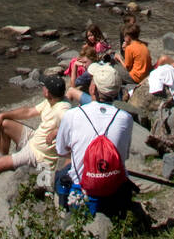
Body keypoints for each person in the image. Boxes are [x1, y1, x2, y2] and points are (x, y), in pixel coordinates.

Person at [54, 63, 134, 216]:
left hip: (82, 190)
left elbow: (61, 151)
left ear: (93, 89)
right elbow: (125, 155)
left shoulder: (72, 115)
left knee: (61, 174)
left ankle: (64, 213)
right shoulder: (126, 118)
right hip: (114, 190)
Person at [0, 74, 70, 174]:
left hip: (39, 155)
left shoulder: (62, 108)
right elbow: (28, 112)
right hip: (35, 138)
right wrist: (3, 115)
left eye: (44, 86)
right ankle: (4, 158)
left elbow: (73, 123)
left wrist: (56, 131)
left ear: (47, 92)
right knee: (4, 123)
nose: (42, 88)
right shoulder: (52, 100)